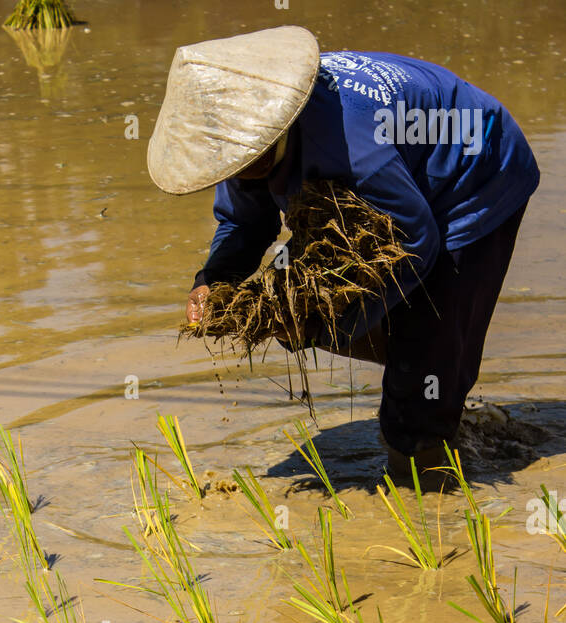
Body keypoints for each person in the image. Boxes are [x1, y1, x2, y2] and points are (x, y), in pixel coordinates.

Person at [147, 27, 540, 483]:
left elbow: (417, 241)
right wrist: (212, 280)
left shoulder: (351, 144)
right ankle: (433, 369)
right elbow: (243, 223)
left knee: (429, 341)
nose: (235, 172)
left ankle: (428, 472)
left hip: (477, 168)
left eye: (244, 162)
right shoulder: (242, 139)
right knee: (309, 309)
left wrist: (349, 322)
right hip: (403, 173)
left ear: (276, 130)